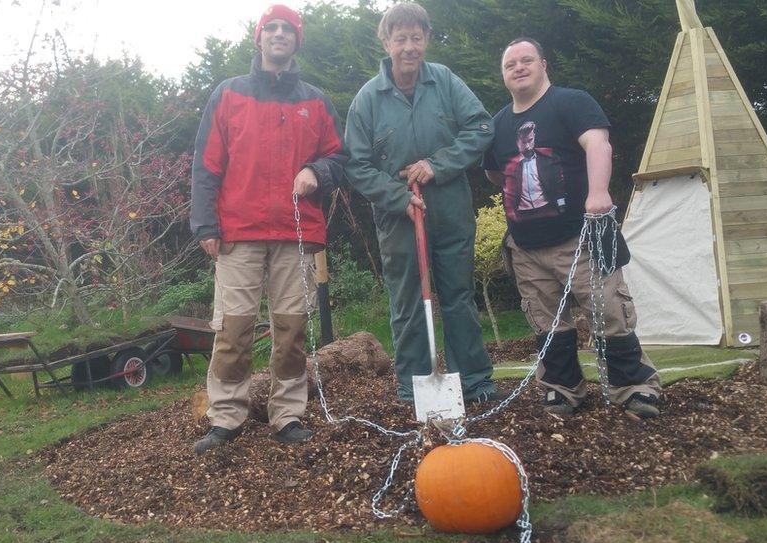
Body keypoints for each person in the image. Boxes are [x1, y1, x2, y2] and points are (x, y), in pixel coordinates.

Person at [189, 4, 346, 454]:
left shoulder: (315, 100)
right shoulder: (229, 93)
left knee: (292, 328)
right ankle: (226, 418)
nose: (279, 34)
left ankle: (288, 415)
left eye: (287, 29)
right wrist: (204, 223)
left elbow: (340, 157)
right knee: (234, 329)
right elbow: (206, 164)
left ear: (297, 40)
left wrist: (317, 171)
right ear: (258, 39)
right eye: (270, 28)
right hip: (237, 231)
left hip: (296, 234)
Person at [483, 37, 661, 419]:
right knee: (547, 324)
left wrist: (598, 192)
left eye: (526, 60)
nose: (518, 67)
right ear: (503, 75)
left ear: (543, 64)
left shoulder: (570, 101)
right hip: (526, 247)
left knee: (609, 313)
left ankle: (634, 389)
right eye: (510, 64)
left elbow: (598, 145)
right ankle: (562, 391)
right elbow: (496, 172)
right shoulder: (496, 124)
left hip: (580, 237)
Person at [344, 3, 501, 404]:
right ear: (386, 42)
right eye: (401, 39)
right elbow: (356, 166)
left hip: (450, 210)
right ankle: (413, 387)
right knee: (408, 303)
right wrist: (399, 197)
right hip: (399, 218)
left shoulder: (446, 82)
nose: (409, 47)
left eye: (417, 38)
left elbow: (482, 126)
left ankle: (476, 381)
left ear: (426, 40)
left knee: (458, 297)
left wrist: (437, 164)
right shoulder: (367, 99)